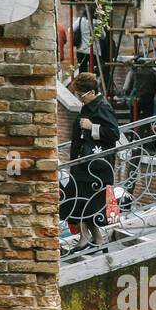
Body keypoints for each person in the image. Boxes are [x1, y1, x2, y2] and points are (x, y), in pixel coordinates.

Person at [60, 72, 119, 252]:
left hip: (95, 167)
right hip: (84, 165)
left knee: (86, 202)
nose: (80, 99)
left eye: (81, 95)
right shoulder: (91, 106)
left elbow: (114, 134)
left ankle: (89, 238)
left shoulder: (103, 107)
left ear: (92, 92)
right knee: (78, 201)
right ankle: (92, 238)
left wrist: (92, 127)